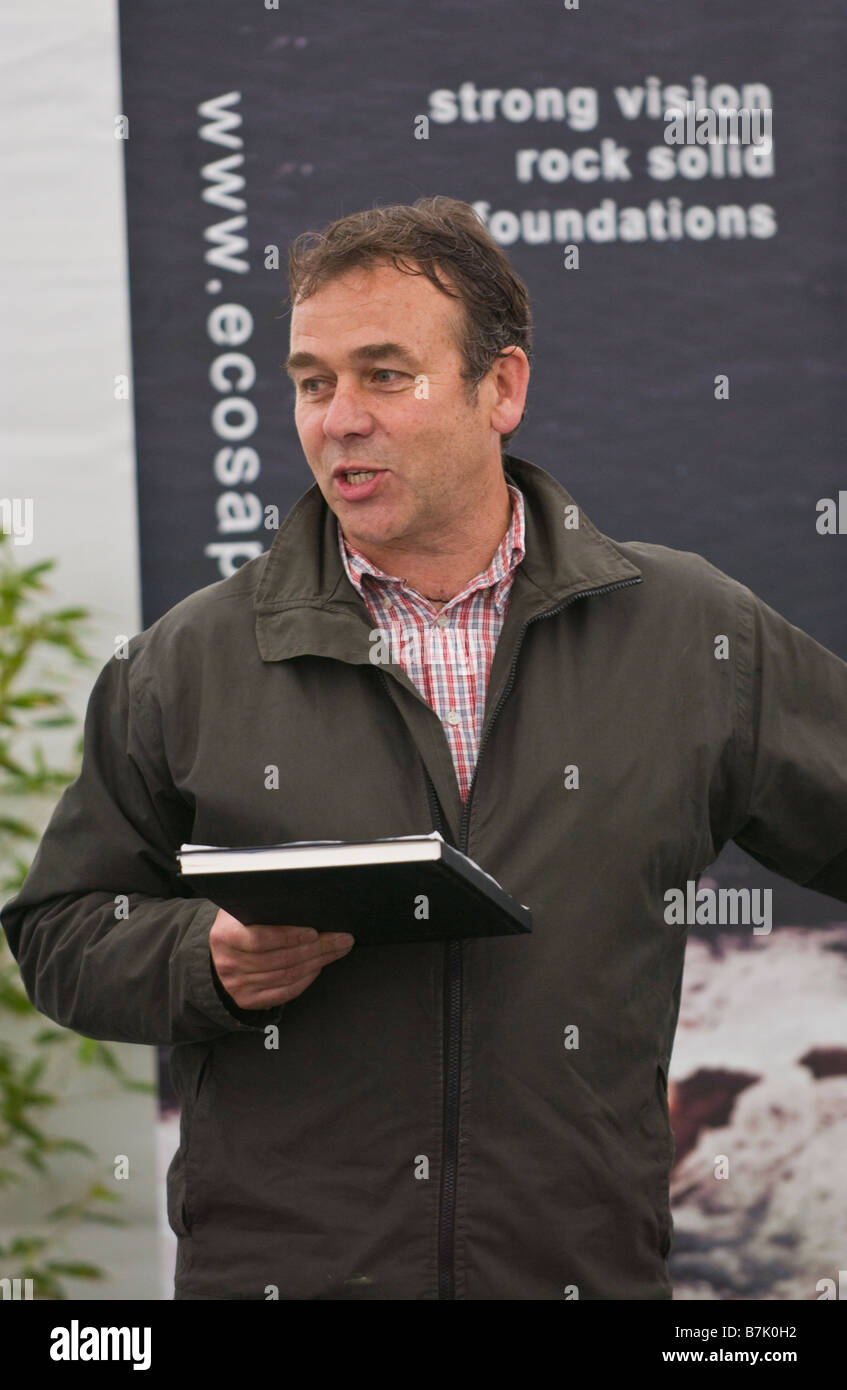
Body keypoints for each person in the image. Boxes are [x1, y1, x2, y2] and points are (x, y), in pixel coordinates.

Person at [2, 196, 846, 1301]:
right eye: (312, 381)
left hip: (573, 1276)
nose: (337, 417)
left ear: (502, 388)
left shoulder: (693, 630)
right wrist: (197, 958)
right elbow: (61, 930)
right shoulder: (186, 659)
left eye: (384, 375)